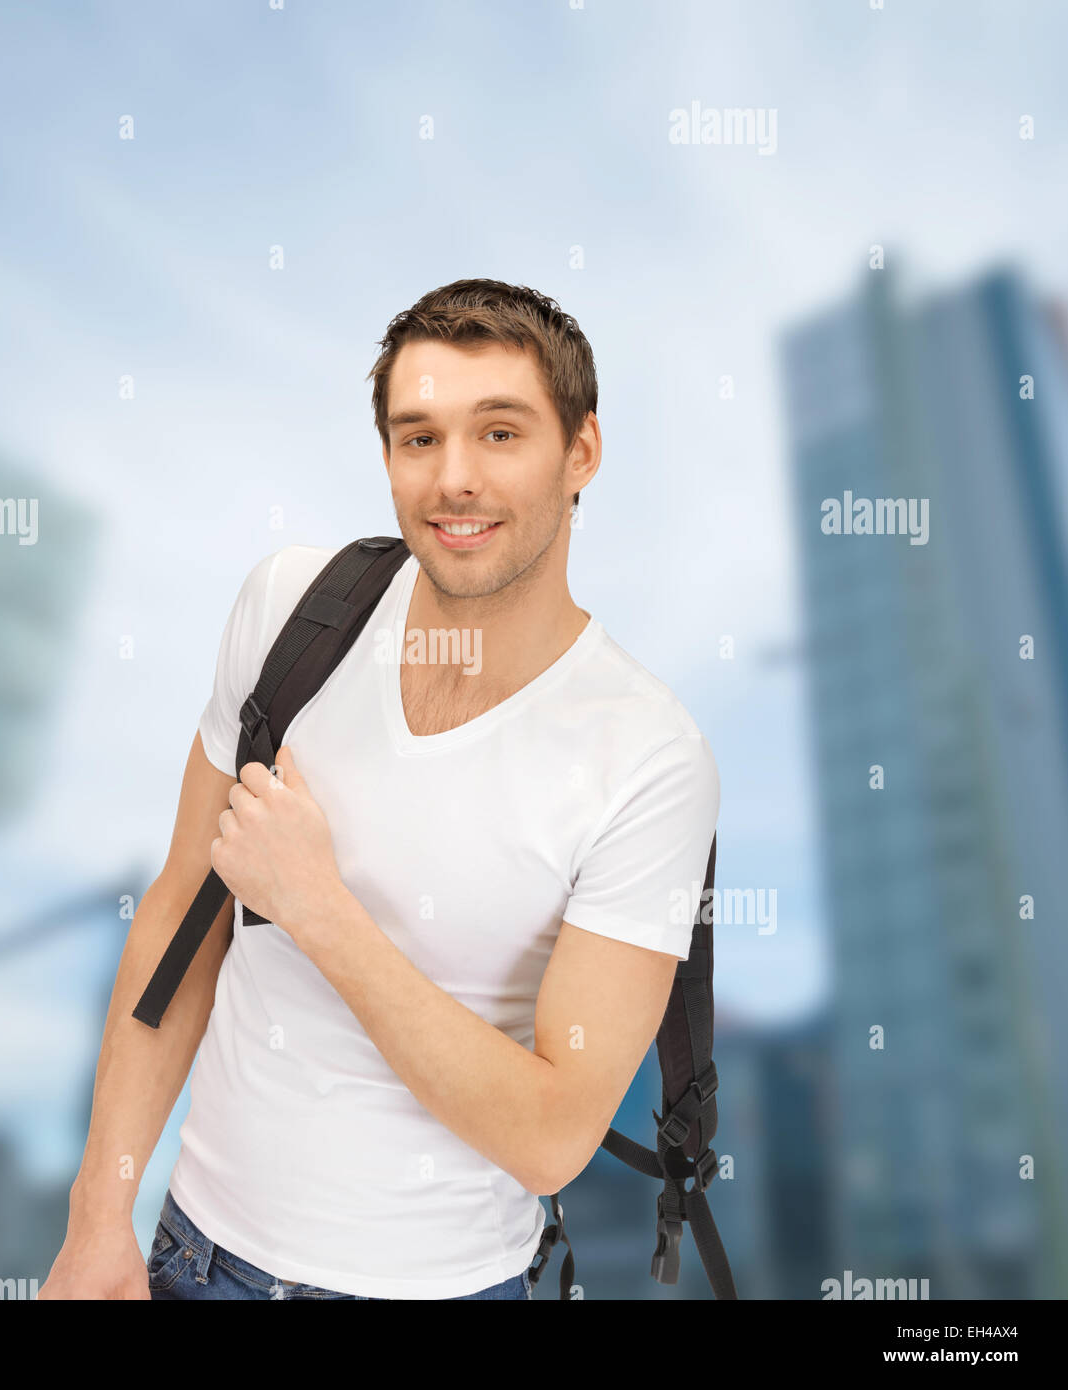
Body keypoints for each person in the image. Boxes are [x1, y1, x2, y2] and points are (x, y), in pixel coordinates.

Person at [40, 278, 719, 1301]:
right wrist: (100, 1218)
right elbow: (181, 917)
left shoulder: (649, 759)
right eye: (418, 438)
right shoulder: (294, 612)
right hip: (189, 1254)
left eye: (500, 433)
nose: (454, 479)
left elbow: (552, 1136)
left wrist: (320, 908)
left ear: (581, 451)